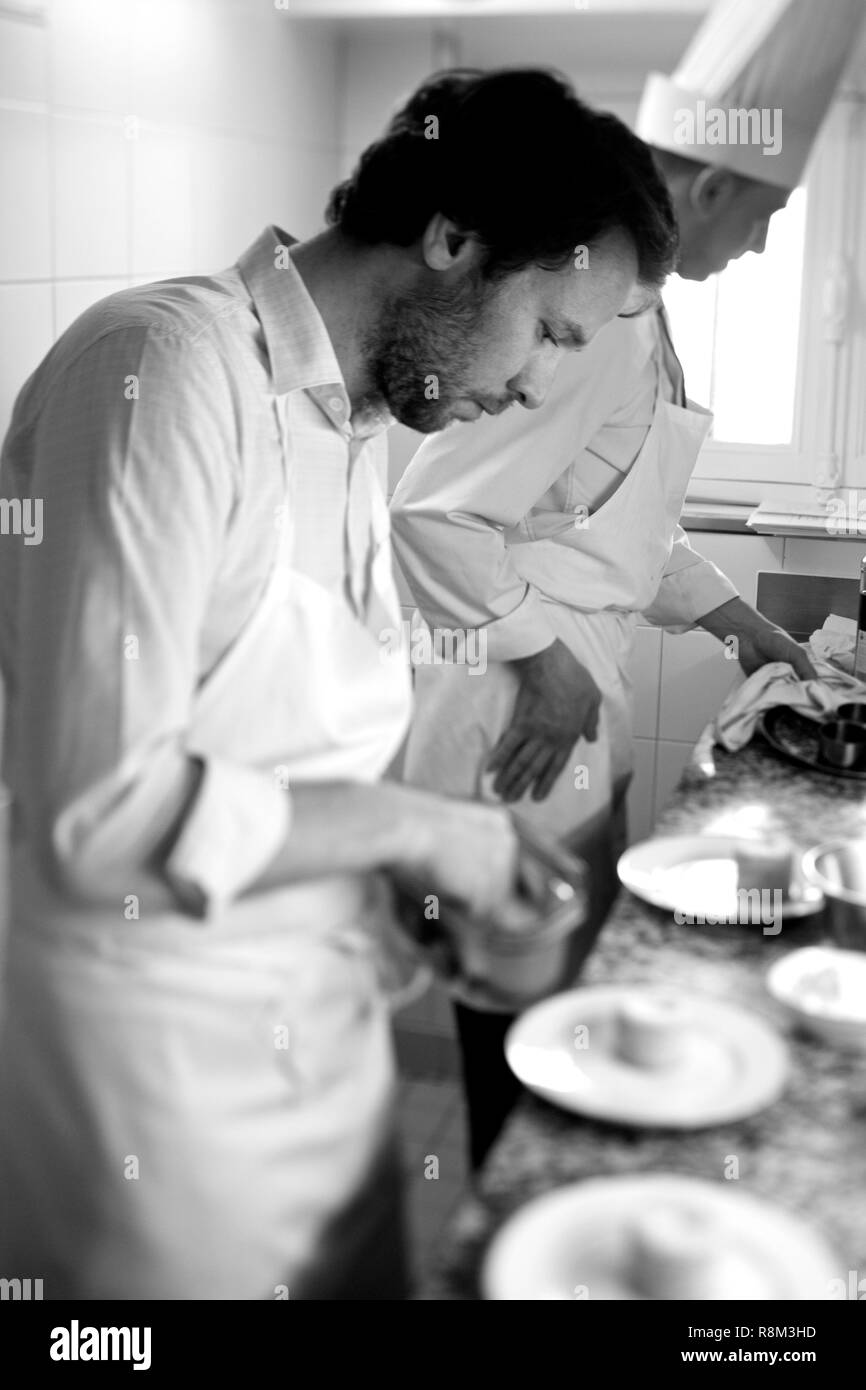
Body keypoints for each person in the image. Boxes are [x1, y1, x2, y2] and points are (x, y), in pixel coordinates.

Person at [0, 68, 677, 1299]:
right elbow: (95, 817)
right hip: (156, 1098)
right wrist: (422, 827)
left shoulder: (355, 423)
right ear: (451, 238)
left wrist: (421, 896)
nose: (536, 385)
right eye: (550, 331)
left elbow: (276, 766)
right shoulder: (161, 373)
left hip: (308, 1045)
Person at [390, 0, 866, 1170]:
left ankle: (546, 1197)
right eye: (765, 217)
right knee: (517, 1011)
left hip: (561, 709)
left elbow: (613, 530)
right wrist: (550, 670)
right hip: (508, 715)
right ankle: (518, 1211)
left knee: (562, 993)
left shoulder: (637, 311)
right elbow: (432, 516)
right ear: (707, 188)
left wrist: (739, 619)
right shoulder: (586, 313)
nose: (757, 246)